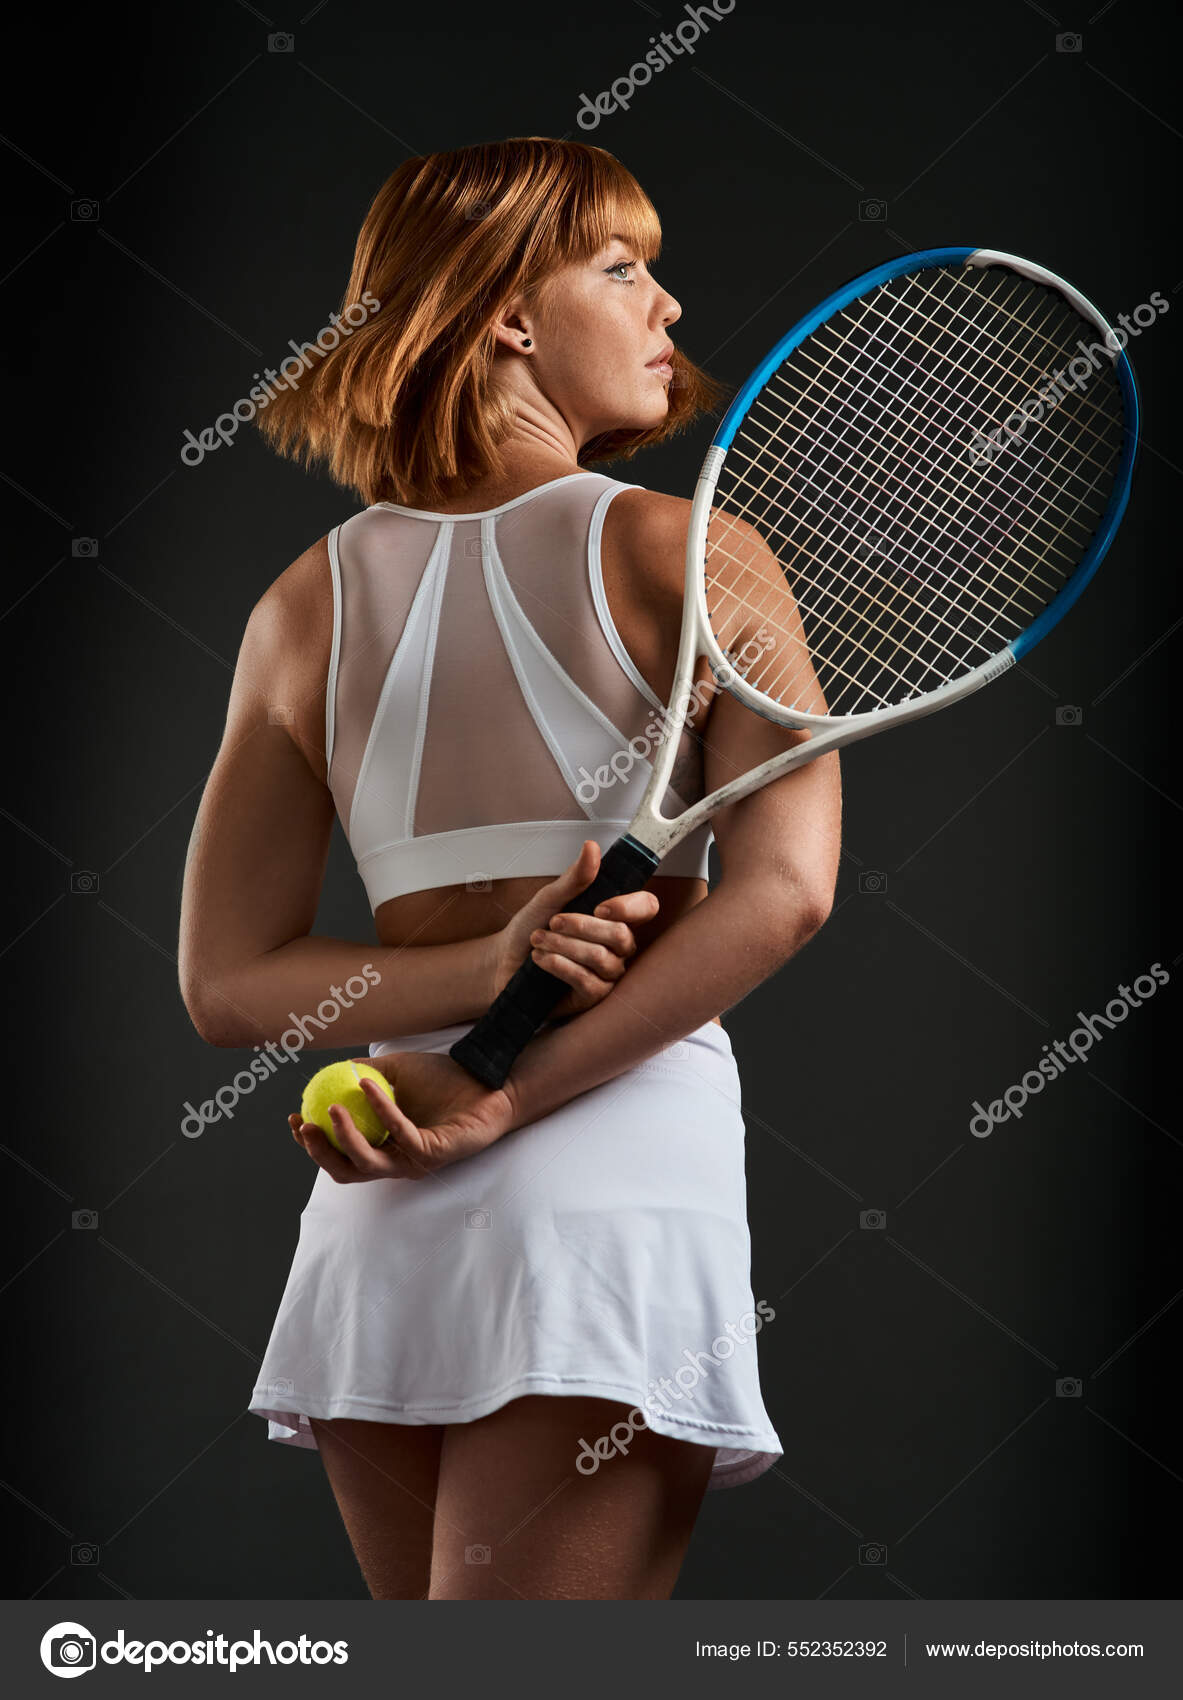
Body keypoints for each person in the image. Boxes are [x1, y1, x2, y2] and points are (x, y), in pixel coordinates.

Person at [178, 136, 841, 1601]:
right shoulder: (698, 553)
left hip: (375, 1160)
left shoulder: (303, 604)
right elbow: (786, 892)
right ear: (508, 318)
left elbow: (233, 987)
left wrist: (470, 1007)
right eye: (623, 267)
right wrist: (501, 1082)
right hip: (589, 1156)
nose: (668, 306)